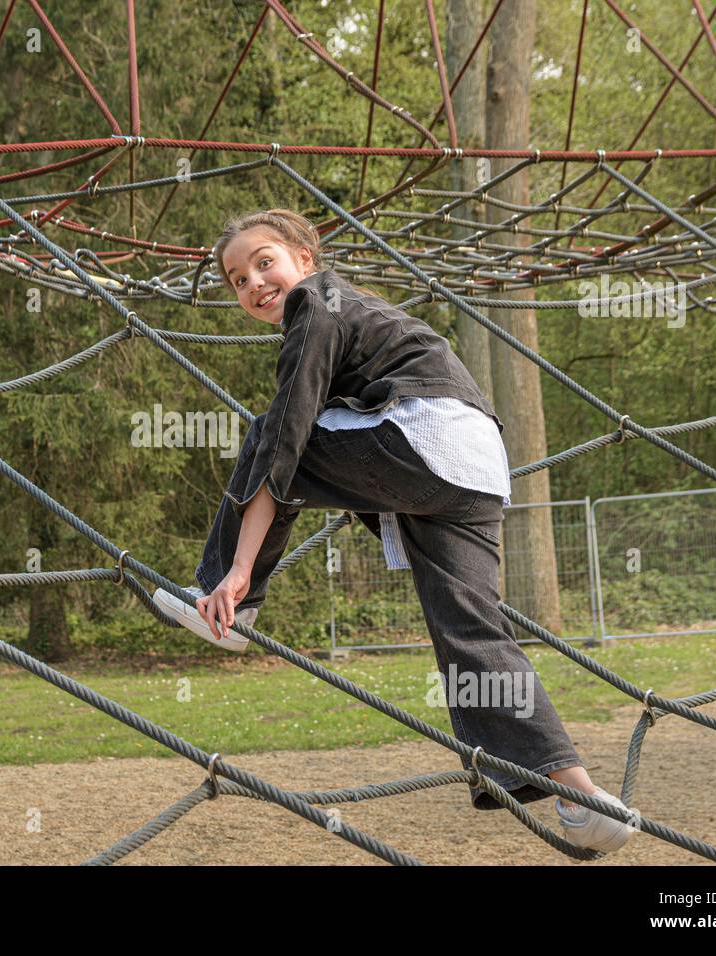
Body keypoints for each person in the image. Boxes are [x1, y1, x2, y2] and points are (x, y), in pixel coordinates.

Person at [151, 208, 637, 854]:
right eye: (237, 280)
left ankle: (230, 601)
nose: (254, 284)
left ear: (306, 256)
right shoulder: (345, 309)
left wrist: (235, 575)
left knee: (270, 432)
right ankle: (584, 798)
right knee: (470, 630)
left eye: (264, 262)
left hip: (426, 439)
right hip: (475, 465)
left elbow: (286, 440)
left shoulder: (317, 303)